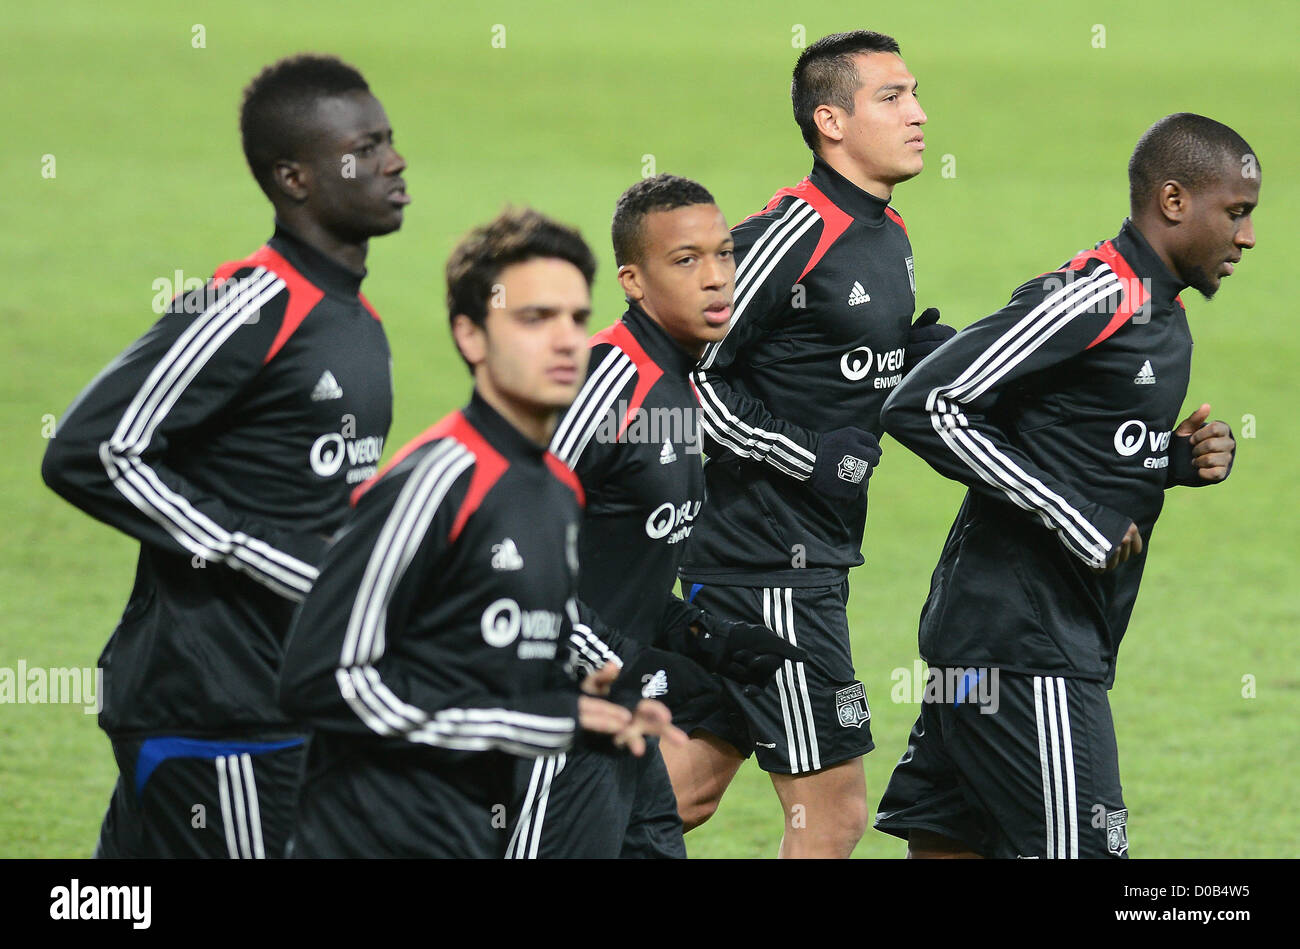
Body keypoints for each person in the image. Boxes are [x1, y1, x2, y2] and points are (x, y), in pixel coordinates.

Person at [41, 54, 406, 858]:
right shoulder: (248, 303)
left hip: (279, 697)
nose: (394, 161)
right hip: (223, 707)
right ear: (294, 178)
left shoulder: (358, 320)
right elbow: (92, 448)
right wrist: (254, 549)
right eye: (365, 148)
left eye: (389, 140)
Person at [873, 113, 1255, 858]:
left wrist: (1166, 461)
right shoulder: (1095, 295)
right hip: (1026, 648)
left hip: (999, 649)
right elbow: (926, 404)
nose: (1246, 237)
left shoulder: (1162, 311)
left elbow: (1053, 433)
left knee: (949, 848)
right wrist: (1073, 514)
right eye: (1235, 213)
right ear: (1174, 201)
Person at [278, 208, 684, 858]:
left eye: (575, 318)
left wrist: (585, 711)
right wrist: (524, 722)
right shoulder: (436, 482)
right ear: (471, 335)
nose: (566, 341)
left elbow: (494, 663)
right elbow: (321, 679)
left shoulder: (554, 491)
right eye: (534, 318)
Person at [670, 30, 953, 857]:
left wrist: (910, 356)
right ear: (831, 121)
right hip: (765, 566)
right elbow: (684, 374)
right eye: (891, 98)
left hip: (795, 559)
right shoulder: (789, 233)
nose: (918, 114)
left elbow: (823, 359)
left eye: (915, 93)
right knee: (831, 812)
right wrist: (808, 455)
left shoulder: (886, 230)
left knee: (680, 791)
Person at [508, 175, 805, 859]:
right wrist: (623, 663)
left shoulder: (677, 384)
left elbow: (614, 561)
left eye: (724, 254)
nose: (716, 277)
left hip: (615, 718)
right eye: (686, 260)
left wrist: (702, 635)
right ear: (633, 281)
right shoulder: (605, 385)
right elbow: (505, 555)